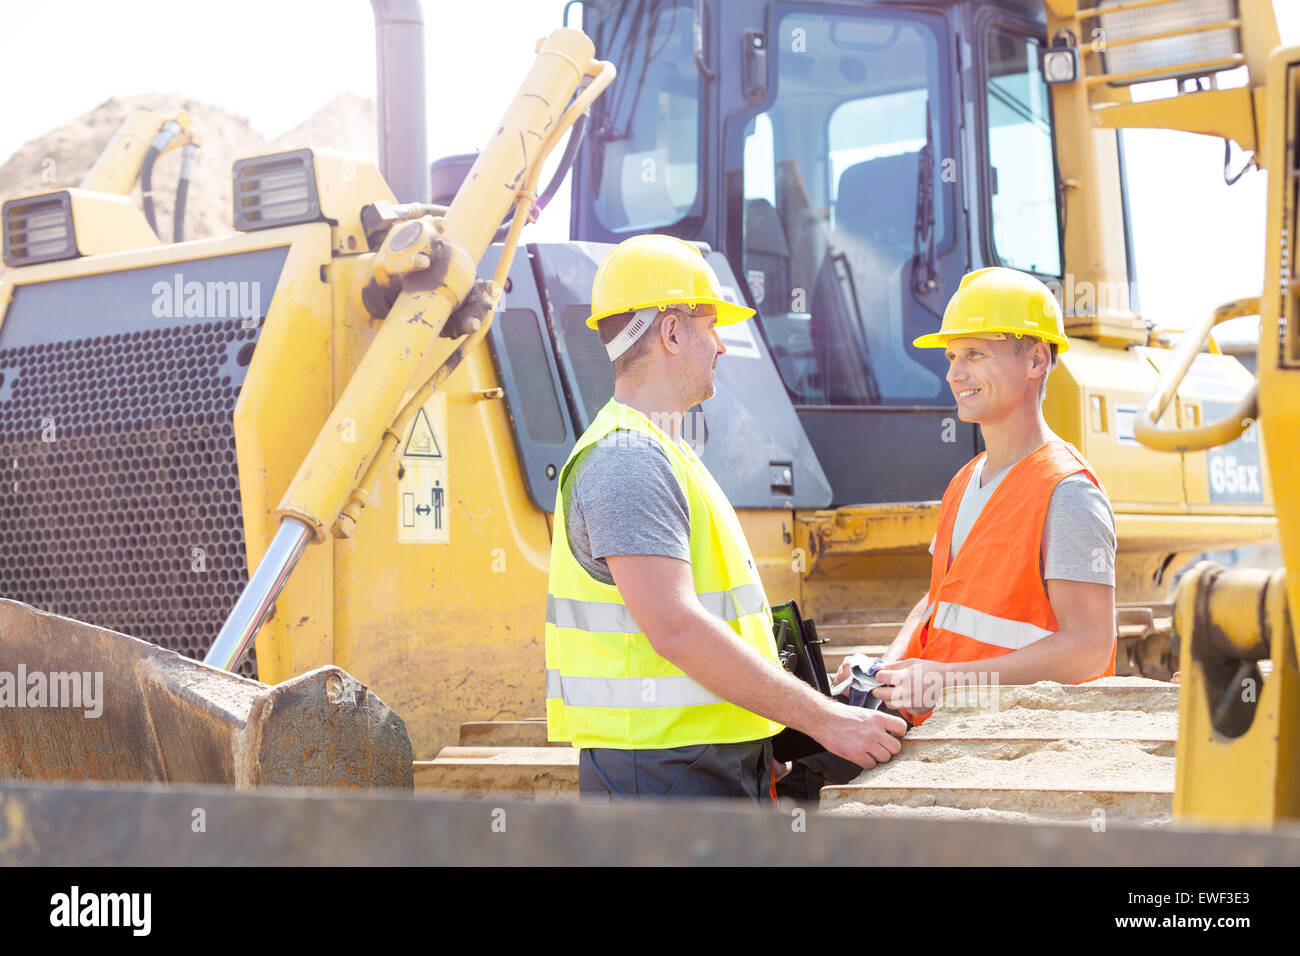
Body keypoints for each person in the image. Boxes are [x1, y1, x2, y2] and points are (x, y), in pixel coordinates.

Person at [545, 234, 906, 804]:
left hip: (690, 765)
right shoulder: (628, 459)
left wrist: (759, 739)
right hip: (666, 777)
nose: (720, 346)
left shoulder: (661, 450)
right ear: (670, 332)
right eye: (711, 326)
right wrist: (824, 720)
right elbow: (676, 628)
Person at [838, 267, 1117, 723]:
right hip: (958, 731)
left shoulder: (1068, 492)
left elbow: (1088, 648)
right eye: (951, 356)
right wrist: (887, 671)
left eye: (975, 354)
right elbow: (938, 603)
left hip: (1023, 740)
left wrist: (945, 681)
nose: (954, 373)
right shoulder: (966, 480)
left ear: (1036, 361)